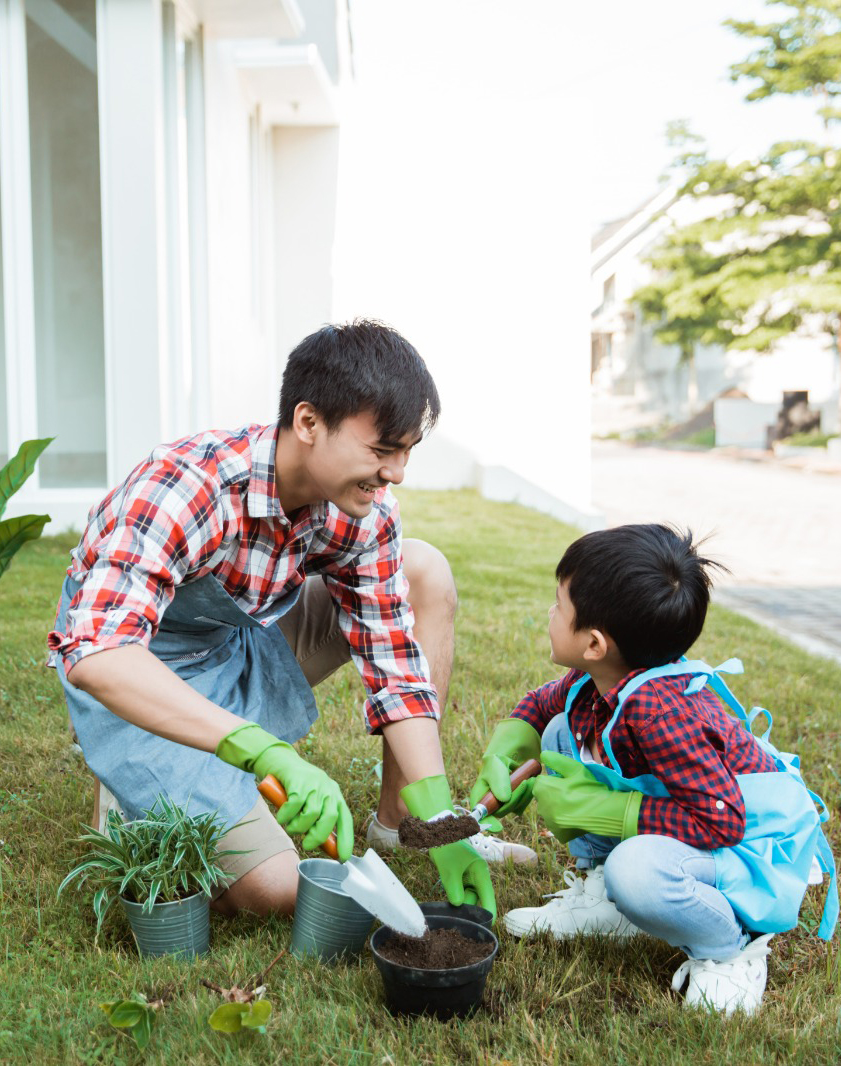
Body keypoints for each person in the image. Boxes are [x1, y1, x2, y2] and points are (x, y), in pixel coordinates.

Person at [48, 319, 522, 921]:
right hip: (137, 666)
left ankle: (399, 822)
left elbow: (395, 664)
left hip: (236, 639)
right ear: (307, 423)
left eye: (406, 452)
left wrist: (438, 817)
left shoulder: (364, 510)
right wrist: (264, 752)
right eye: (382, 450)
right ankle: (133, 777)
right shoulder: (191, 486)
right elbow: (98, 653)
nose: (397, 472)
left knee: (421, 570)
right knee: (276, 890)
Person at [468, 523, 836, 1014]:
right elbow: (544, 702)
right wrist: (506, 748)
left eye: (558, 604)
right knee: (560, 732)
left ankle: (730, 947)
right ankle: (609, 904)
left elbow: (721, 821)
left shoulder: (658, 712)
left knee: (636, 872)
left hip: (751, 841)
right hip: (702, 814)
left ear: (595, 643)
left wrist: (608, 811)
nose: (550, 613)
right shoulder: (602, 676)